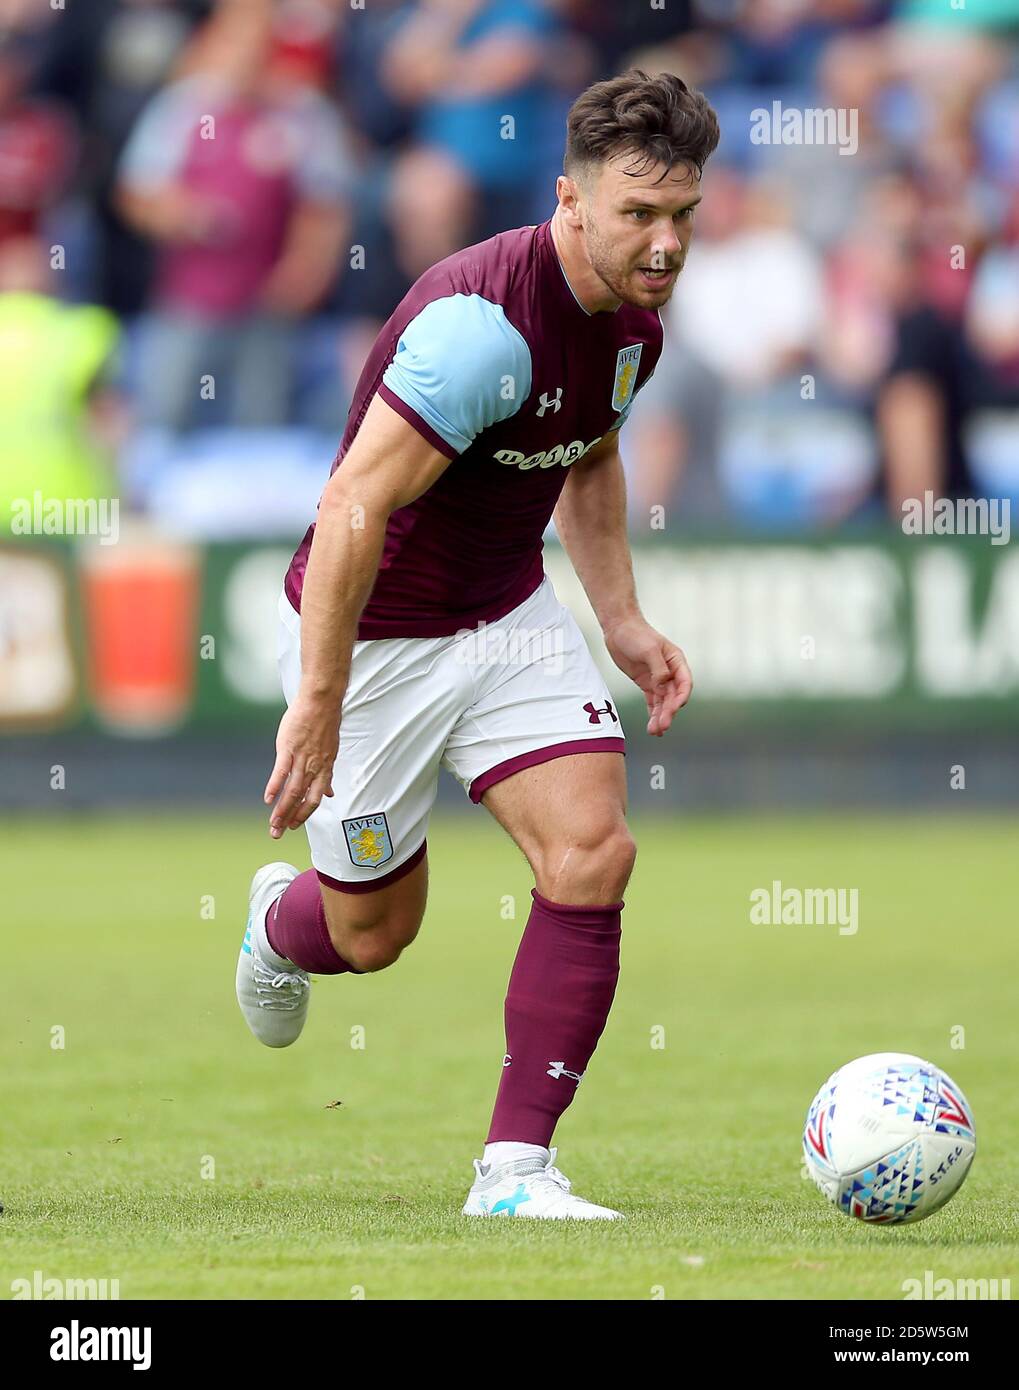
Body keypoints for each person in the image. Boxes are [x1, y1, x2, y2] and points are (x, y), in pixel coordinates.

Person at [235, 69, 719, 1220]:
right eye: (637, 214)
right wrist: (319, 692)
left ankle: (513, 1173)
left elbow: (587, 453)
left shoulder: (631, 323)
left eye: (682, 216)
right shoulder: (477, 331)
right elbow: (352, 505)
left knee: (592, 852)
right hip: (378, 638)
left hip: (505, 616)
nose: (662, 245)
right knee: (369, 934)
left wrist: (617, 618)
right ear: (569, 199)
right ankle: (274, 922)